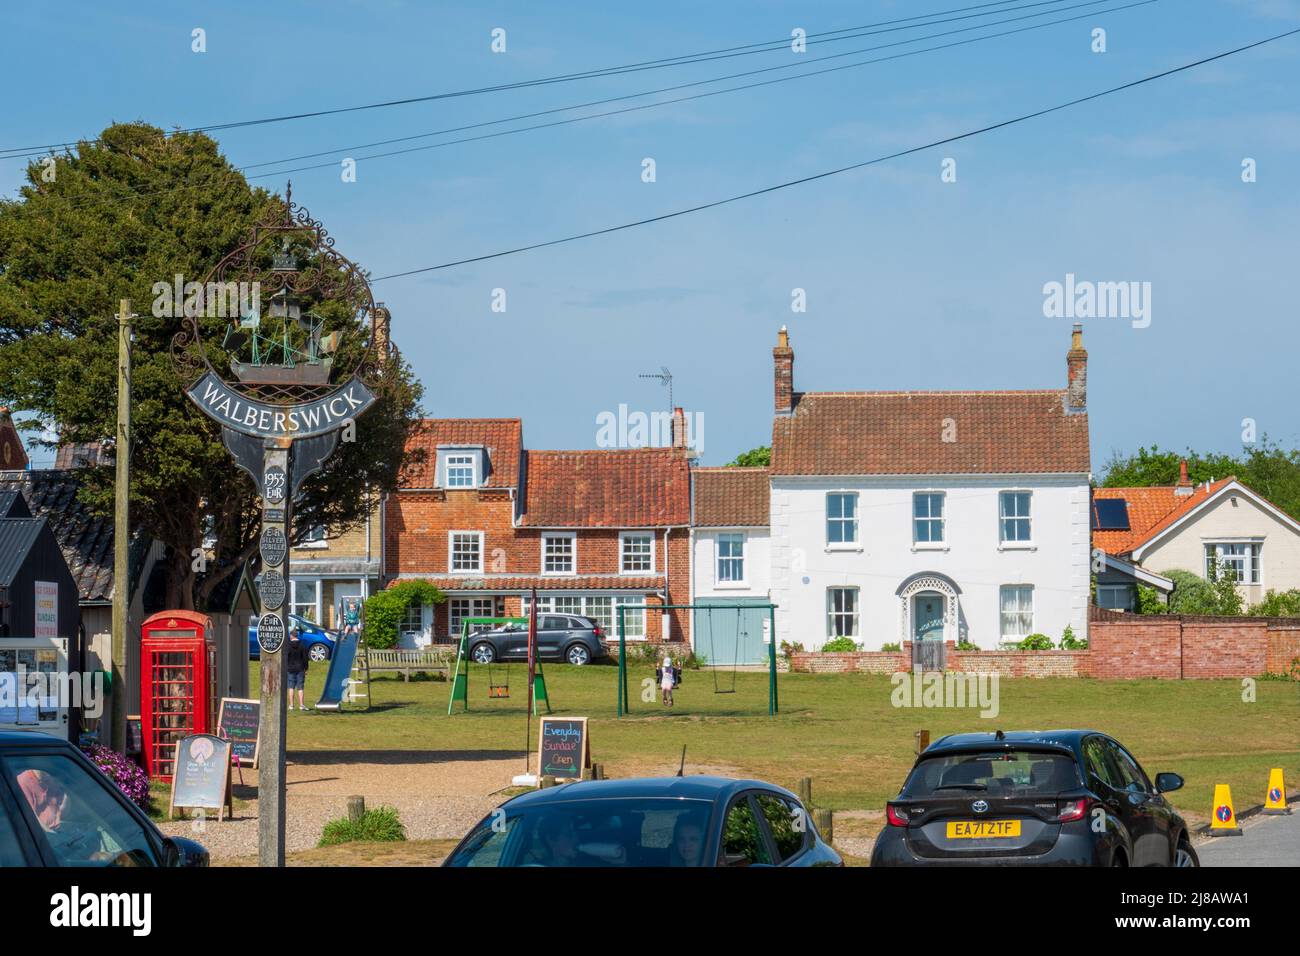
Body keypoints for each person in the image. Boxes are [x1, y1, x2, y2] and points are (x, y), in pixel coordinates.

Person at [286, 627, 310, 710]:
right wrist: (306, 669)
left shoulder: (288, 646)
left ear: (291, 636)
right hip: (300, 668)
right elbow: (305, 658)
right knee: (300, 687)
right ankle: (301, 705)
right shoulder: (302, 645)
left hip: (290, 668)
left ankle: (291, 705)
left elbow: (286, 658)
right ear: (297, 635)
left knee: (291, 687)